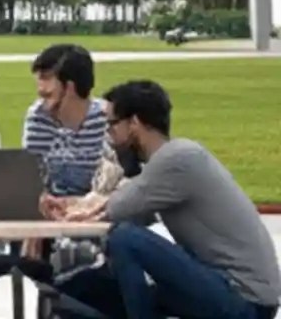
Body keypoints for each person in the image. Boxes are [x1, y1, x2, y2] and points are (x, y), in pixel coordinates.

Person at [58, 80, 281, 319]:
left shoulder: (177, 159)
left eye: (111, 125)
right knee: (88, 287)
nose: (107, 135)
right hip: (222, 287)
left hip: (245, 300)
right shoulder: (167, 165)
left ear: (134, 123)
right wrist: (67, 205)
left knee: (124, 237)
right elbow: (133, 212)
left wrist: (77, 210)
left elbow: (117, 209)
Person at [23, 44, 109, 203]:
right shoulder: (38, 118)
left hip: (94, 212)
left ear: (70, 87)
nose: (40, 91)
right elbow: (31, 182)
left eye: (46, 78)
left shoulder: (107, 120)